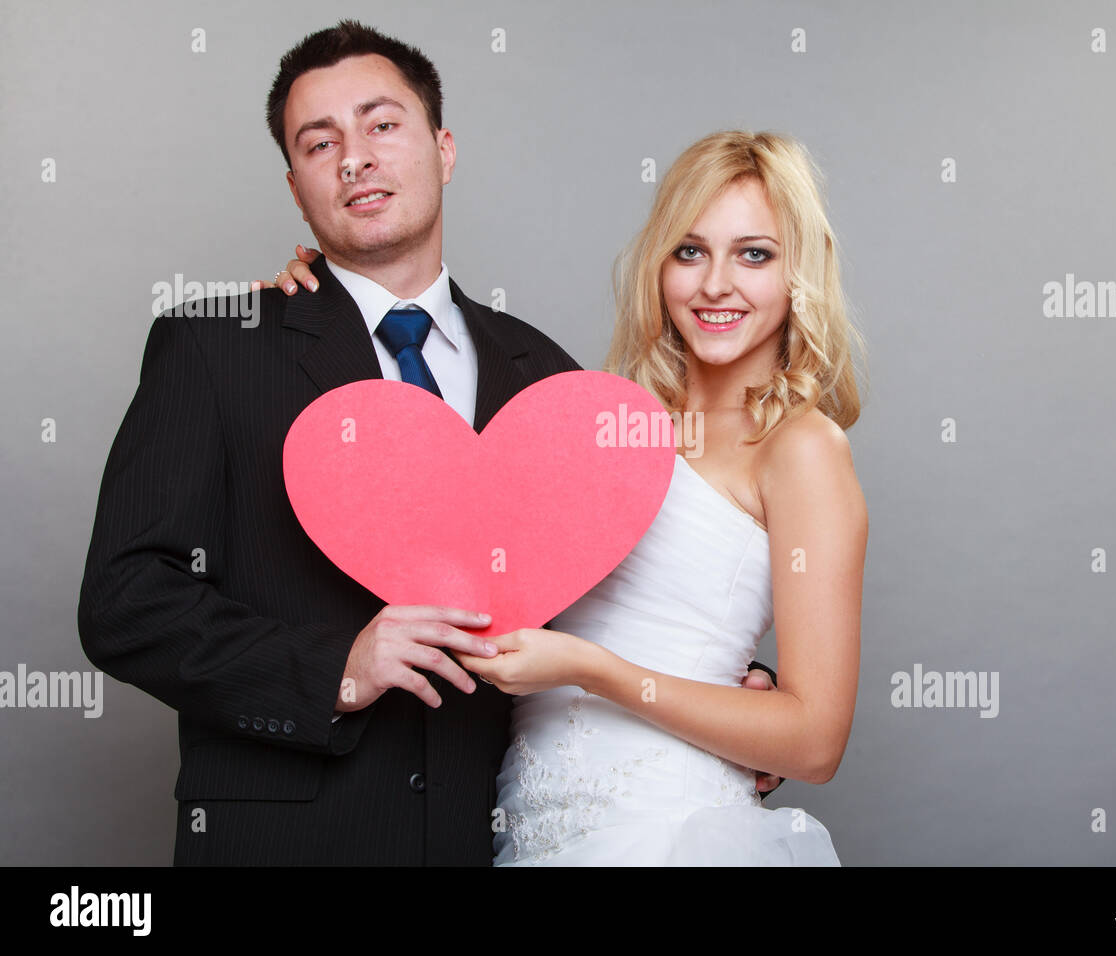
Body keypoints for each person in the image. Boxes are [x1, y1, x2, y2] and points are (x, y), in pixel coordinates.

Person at [77, 20, 778, 867]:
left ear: (443, 149)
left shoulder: (543, 376)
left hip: (484, 839)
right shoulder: (216, 348)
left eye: (382, 124)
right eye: (319, 141)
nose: (355, 157)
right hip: (279, 843)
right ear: (298, 188)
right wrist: (339, 665)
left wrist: (731, 699)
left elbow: (597, 591)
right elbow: (124, 602)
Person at [271, 130, 869, 864]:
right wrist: (323, 298)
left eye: (755, 254)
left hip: (671, 834)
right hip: (526, 825)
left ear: (800, 271)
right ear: (658, 265)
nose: (716, 284)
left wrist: (592, 670)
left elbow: (814, 742)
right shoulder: (604, 425)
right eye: (690, 251)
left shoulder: (801, 449)